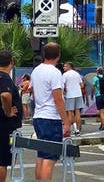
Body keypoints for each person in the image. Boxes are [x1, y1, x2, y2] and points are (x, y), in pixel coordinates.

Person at [30, 42, 70, 180]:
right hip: (51, 117)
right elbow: (58, 98)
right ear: (58, 55)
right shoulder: (55, 72)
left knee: (41, 154)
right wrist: (66, 121)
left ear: (44, 54)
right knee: (50, 157)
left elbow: (34, 93)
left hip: (38, 116)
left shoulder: (36, 71)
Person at [0, 49, 22, 182]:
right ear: (11, 62)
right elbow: (5, 95)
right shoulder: (5, 78)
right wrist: (8, 111)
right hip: (4, 124)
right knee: (3, 159)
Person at [62, 61, 86, 136]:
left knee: (70, 112)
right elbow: (82, 85)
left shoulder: (65, 75)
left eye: (65, 66)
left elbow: (63, 86)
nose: (63, 67)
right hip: (78, 94)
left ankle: (71, 129)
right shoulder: (77, 74)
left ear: (69, 67)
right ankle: (78, 130)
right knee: (77, 112)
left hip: (70, 95)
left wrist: (65, 90)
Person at [92, 67, 104, 131]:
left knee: (101, 112)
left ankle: (103, 126)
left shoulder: (95, 78)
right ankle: (102, 124)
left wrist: (92, 94)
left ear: (97, 72)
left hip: (99, 96)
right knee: (103, 110)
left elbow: (93, 87)